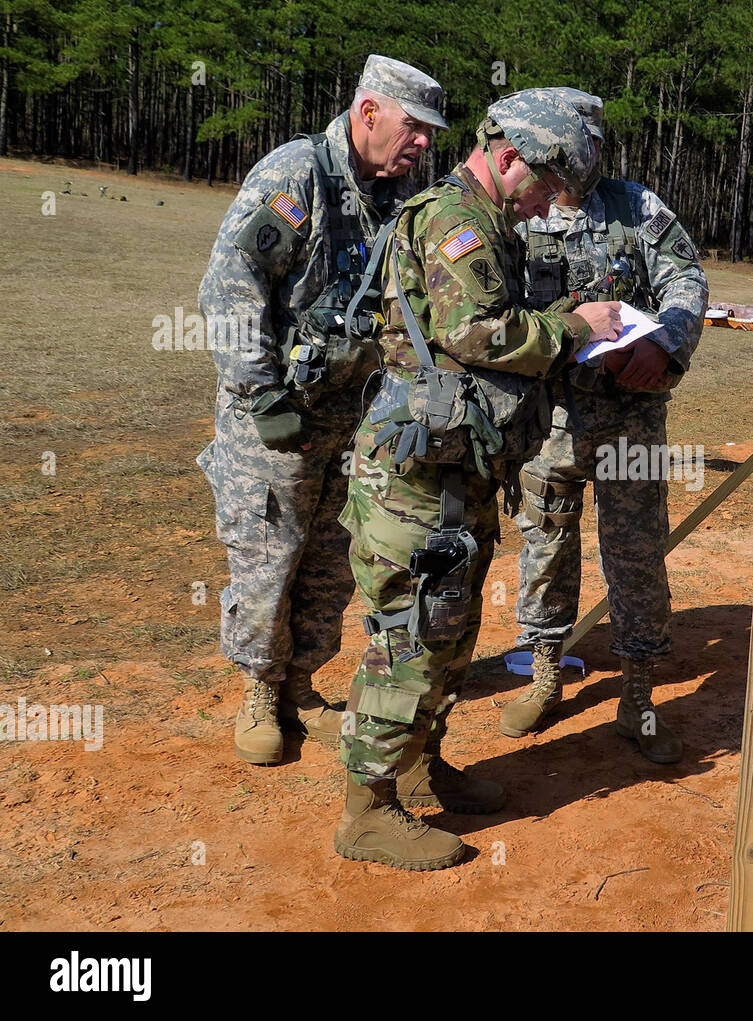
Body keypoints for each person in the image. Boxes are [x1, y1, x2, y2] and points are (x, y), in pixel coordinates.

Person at [334, 89, 617, 870]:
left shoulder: (487, 220)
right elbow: (475, 330)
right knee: (409, 640)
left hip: (453, 474)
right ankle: (367, 811)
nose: (547, 206)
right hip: (414, 484)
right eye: (547, 186)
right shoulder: (456, 220)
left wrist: (563, 314)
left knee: (448, 638)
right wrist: (572, 328)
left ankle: (418, 768)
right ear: (508, 157)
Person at [197, 55, 446, 765]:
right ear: (369, 113)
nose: (424, 143)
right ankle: (258, 686)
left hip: (354, 419)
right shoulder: (295, 174)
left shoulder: (397, 198)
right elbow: (232, 286)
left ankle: (300, 679)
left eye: (431, 132)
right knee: (268, 557)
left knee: (332, 561)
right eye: (415, 126)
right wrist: (261, 392)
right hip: (277, 417)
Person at [502, 87, 708, 764]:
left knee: (636, 553)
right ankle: (543, 675)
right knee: (544, 548)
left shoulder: (635, 206)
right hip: (546, 421)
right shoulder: (515, 208)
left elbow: (684, 276)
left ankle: (639, 699)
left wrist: (668, 343)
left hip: (631, 420)